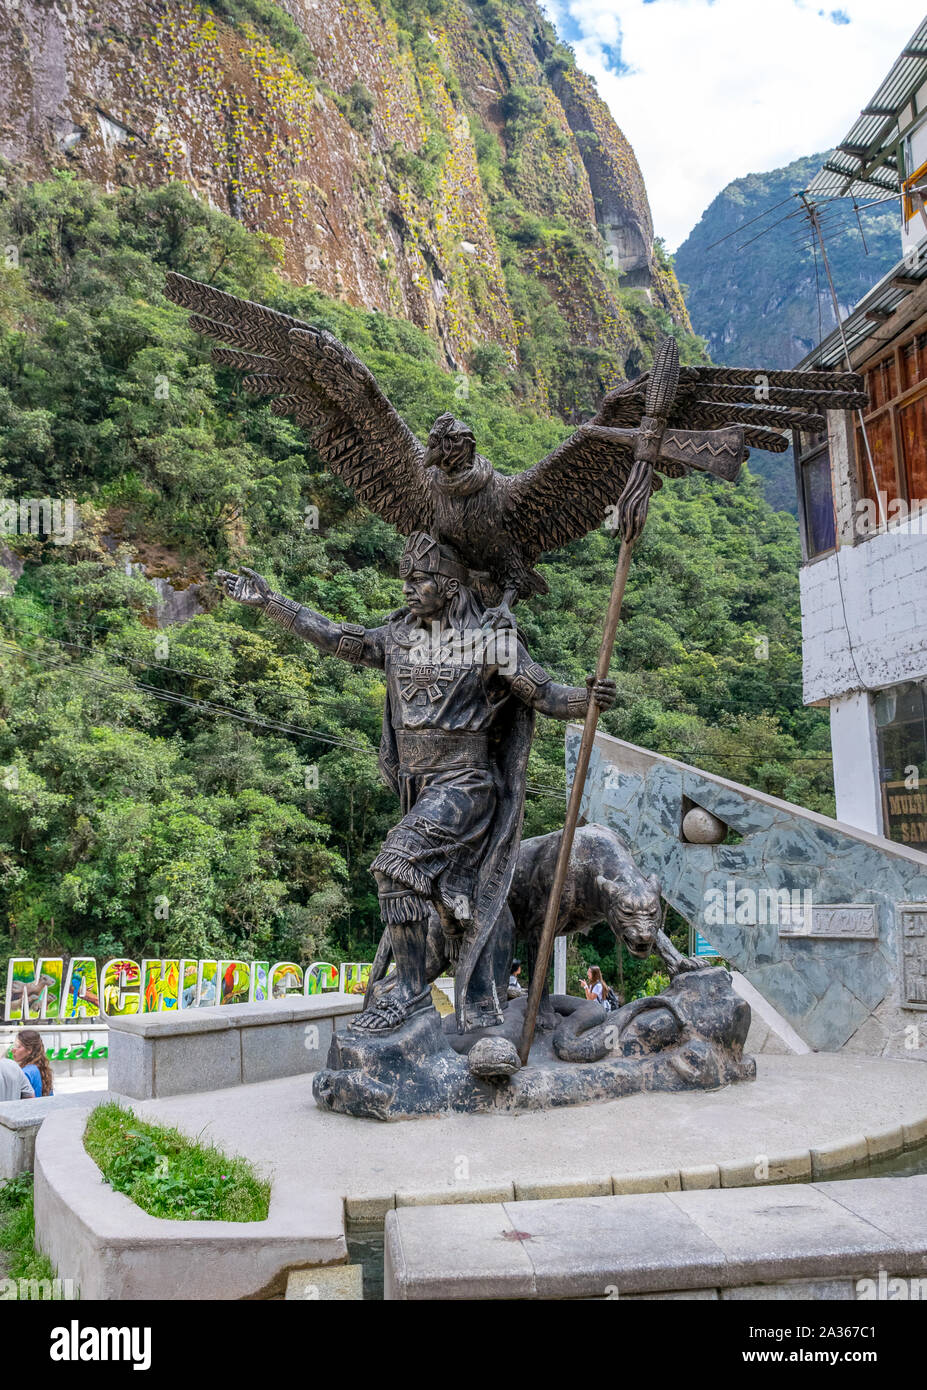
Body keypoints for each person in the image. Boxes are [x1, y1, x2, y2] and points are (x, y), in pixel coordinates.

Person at [217, 532, 616, 1034]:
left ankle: (406, 989)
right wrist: (271, 601)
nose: (408, 588)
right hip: (417, 786)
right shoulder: (397, 636)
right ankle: (456, 940)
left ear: (450, 587)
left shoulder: (491, 642)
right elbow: (338, 638)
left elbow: (544, 694)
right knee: (431, 889)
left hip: (466, 783)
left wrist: (588, 698)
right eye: (405, 578)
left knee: (395, 865)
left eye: (420, 579)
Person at [12, 1029, 54, 1097]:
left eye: (17, 1046)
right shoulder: (41, 1068)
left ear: (29, 1050)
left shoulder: (26, 1073)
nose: (13, 1050)